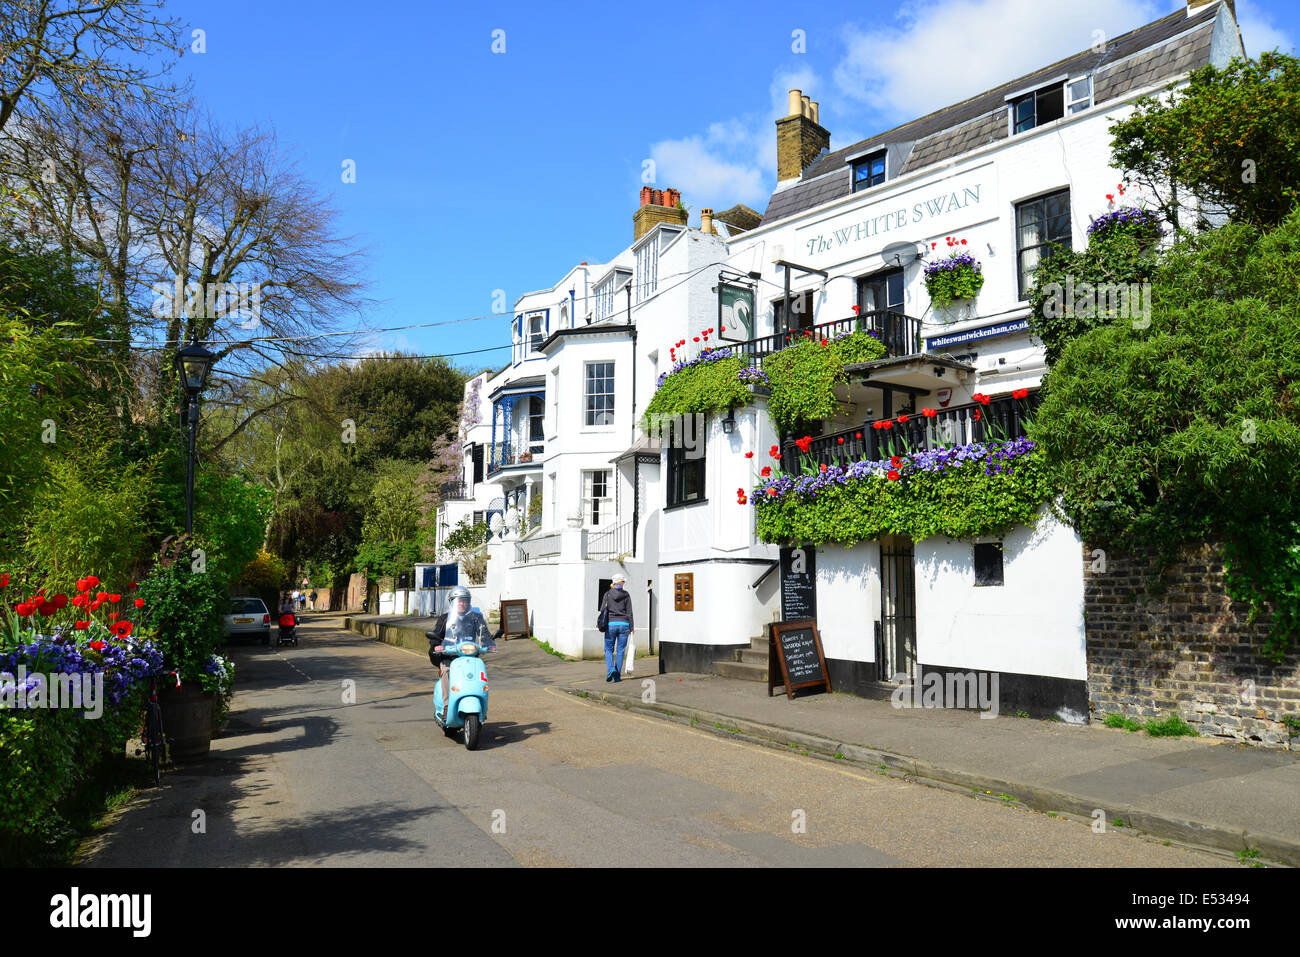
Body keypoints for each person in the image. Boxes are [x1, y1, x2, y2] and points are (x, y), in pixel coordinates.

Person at [427, 586, 494, 722]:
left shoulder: (475, 618)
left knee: (480, 675)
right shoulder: (445, 619)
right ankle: (446, 706)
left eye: (465, 601)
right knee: (446, 671)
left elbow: (484, 633)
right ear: (452, 602)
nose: (462, 603)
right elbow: (436, 635)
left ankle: (482, 706)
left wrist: (489, 643)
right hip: (450, 657)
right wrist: (436, 645)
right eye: (459, 601)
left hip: (470, 656)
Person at [598, 573, 634, 683]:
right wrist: (632, 627)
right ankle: (617, 676)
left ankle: (611, 670)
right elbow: (629, 612)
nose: (624, 583)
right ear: (620, 582)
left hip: (611, 625)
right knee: (620, 651)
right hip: (624, 625)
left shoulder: (608, 594)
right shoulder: (626, 595)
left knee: (608, 650)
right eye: (623, 581)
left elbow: (602, 610)